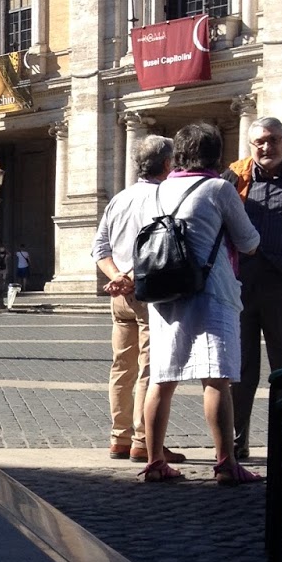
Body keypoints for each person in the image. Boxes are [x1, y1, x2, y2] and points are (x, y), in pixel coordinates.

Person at [139, 122, 261, 484]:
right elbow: (249, 240)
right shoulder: (219, 188)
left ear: (177, 155)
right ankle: (226, 463)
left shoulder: (155, 192)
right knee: (216, 378)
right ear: (215, 154)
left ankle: (155, 461)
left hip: (164, 292)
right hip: (211, 291)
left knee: (162, 379)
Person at [92, 134, 184, 462]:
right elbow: (157, 247)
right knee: (150, 367)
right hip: (150, 292)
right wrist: (130, 277)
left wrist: (116, 276)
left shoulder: (119, 198)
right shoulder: (165, 197)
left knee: (121, 367)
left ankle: (119, 438)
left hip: (119, 295)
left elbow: (100, 247)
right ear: (168, 163)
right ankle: (144, 440)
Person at [225, 116, 282, 458]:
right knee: (239, 367)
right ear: (251, 145)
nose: (266, 146)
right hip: (240, 286)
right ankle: (236, 441)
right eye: (260, 141)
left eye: (273, 139)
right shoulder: (232, 178)